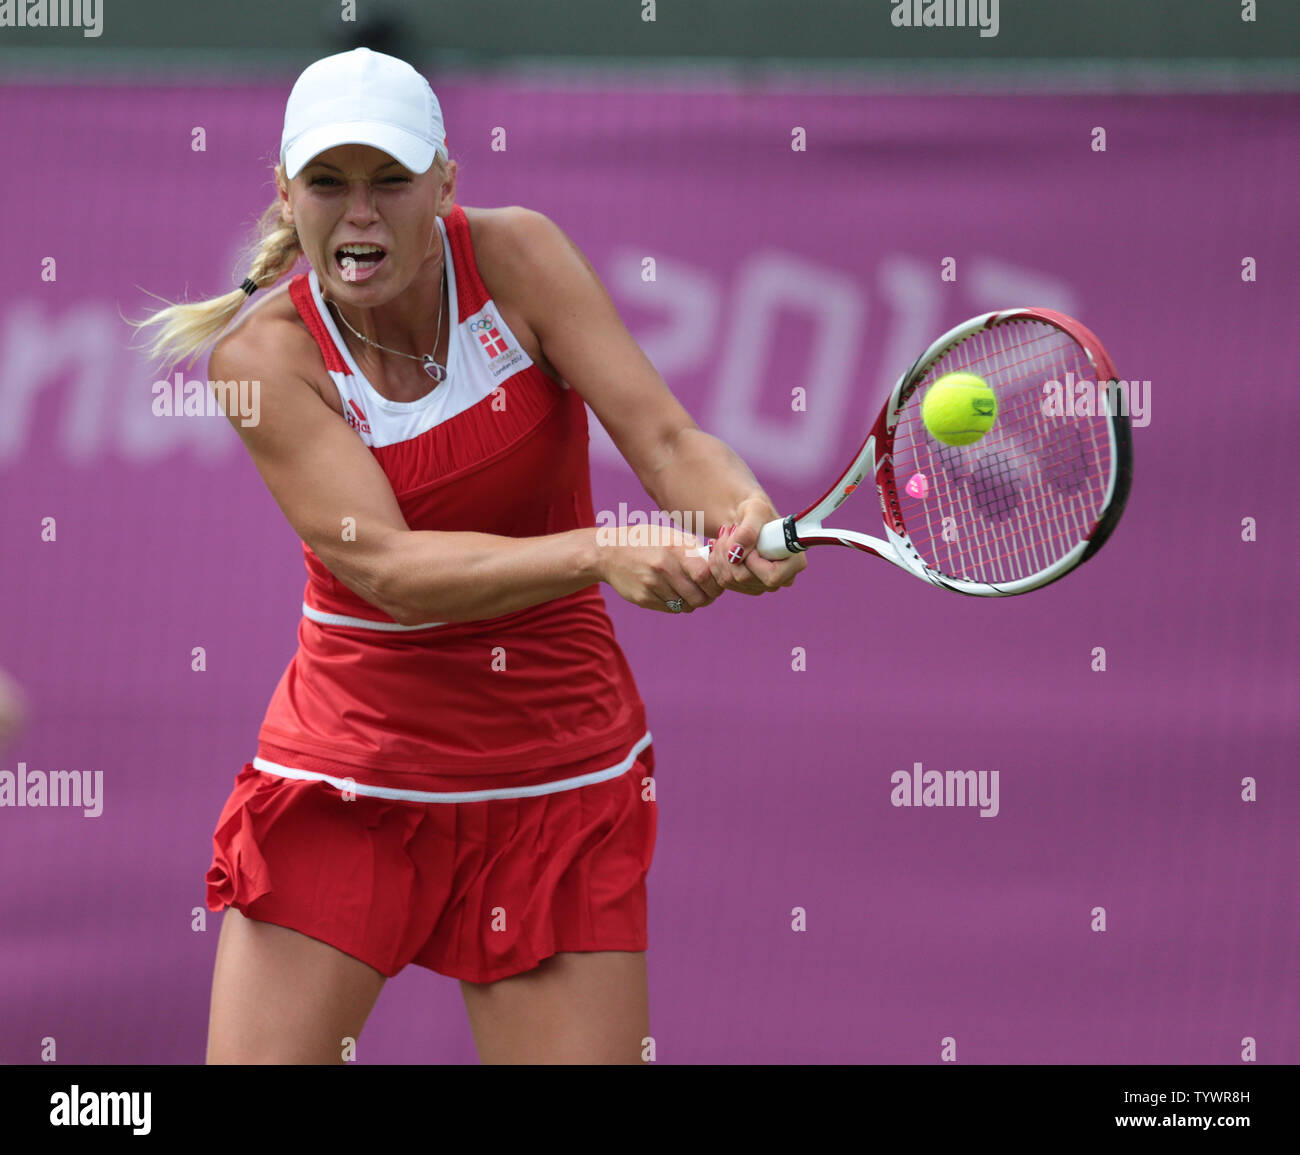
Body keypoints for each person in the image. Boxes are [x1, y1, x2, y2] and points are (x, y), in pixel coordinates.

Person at [131, 47, 806, 1065]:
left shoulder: (520, 258)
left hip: (556, 780)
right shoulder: (259, 360)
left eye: (390, 181)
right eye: (328, 182)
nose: (359, 214)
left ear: (445, 181)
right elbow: (390, 572)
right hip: (354, 777)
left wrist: (736, 508)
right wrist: (596, 550)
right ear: (285, 192)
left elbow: (665, 441)